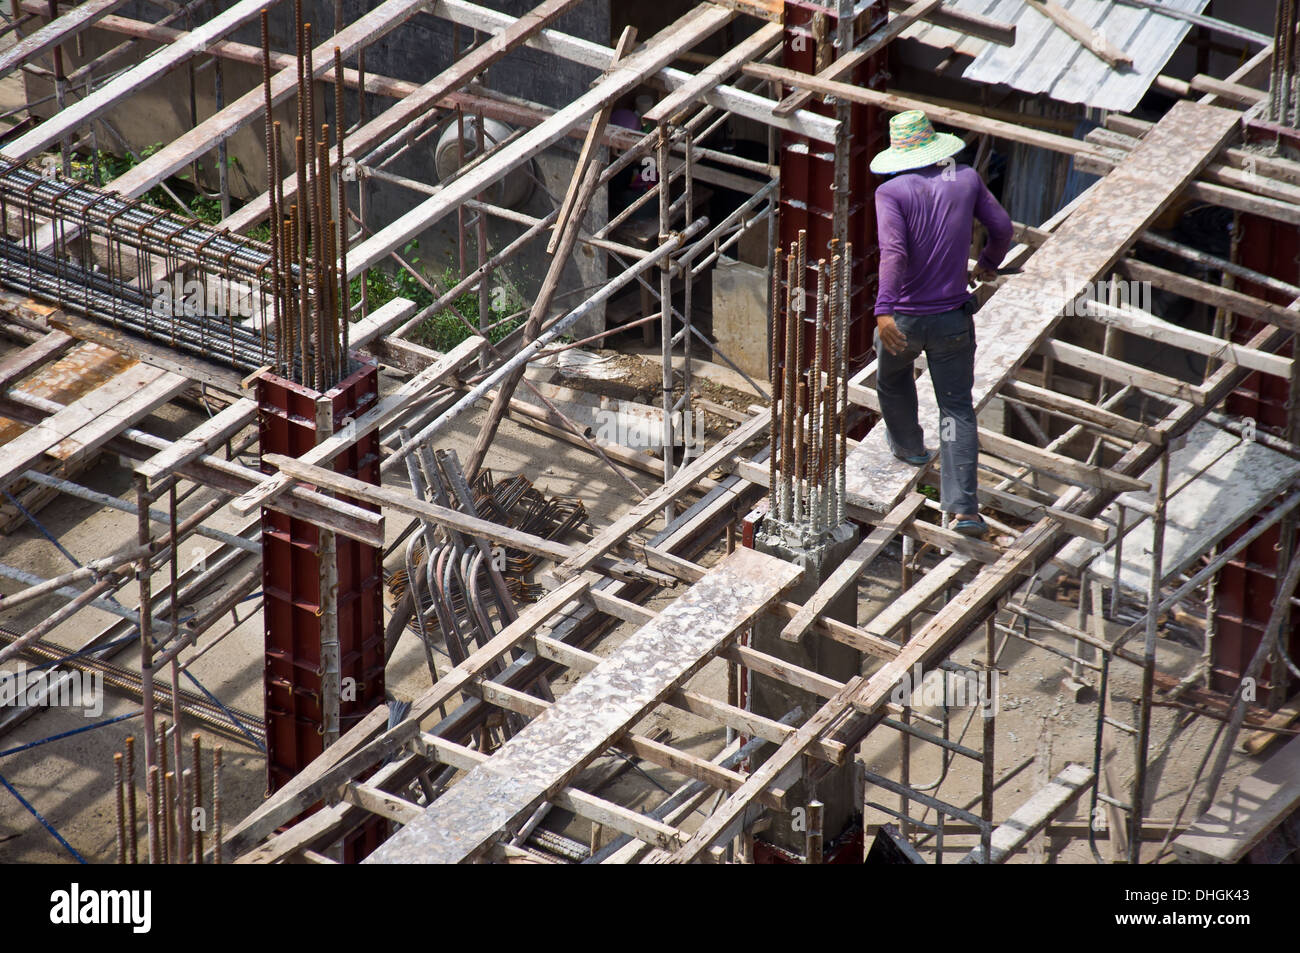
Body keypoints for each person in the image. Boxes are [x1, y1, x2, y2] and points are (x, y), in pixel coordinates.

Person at [869, 110, 1012, 537]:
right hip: (953, 320)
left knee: (893, 381)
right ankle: (964, 509)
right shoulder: (965, 178)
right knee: (955, 410)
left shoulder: (891, 192)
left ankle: (911, 448)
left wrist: (883, 310)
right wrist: (987, 265)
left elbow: (893, 253)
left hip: (906, 322)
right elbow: (1002, 228)